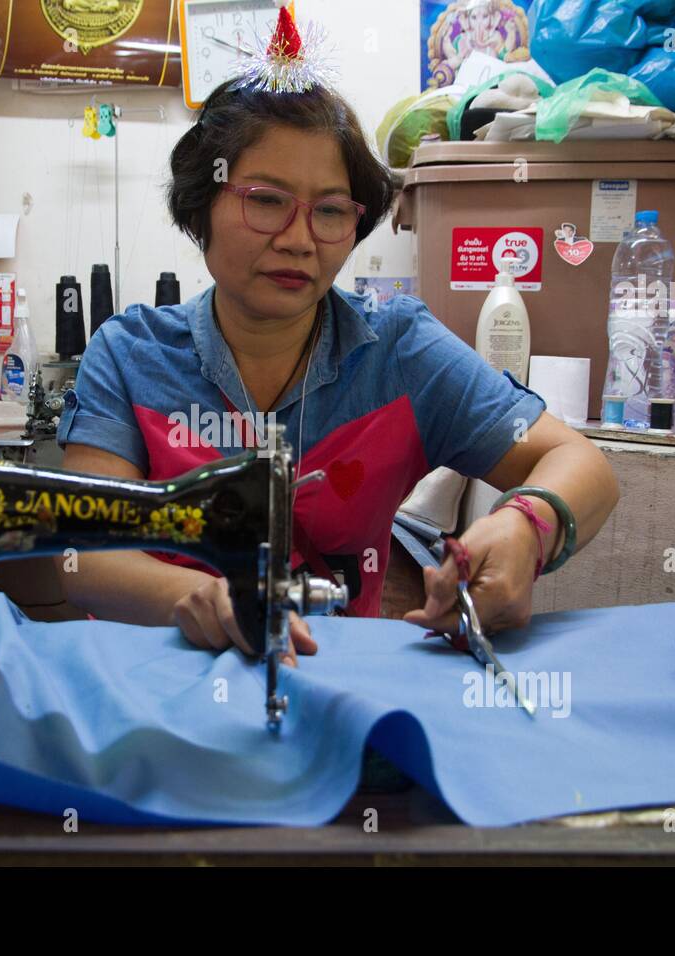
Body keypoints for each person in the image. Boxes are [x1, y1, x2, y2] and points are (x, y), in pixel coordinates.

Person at [56, 13, 618, 663]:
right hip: (151, 691)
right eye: (266, 200)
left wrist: (528, 526)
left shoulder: (398, 351)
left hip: (327, 682)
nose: (299, 239)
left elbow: (586, 468)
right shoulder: (130, 357)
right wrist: (199, 595)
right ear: (199, 204)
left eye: (329, 210)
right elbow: (81, 561)